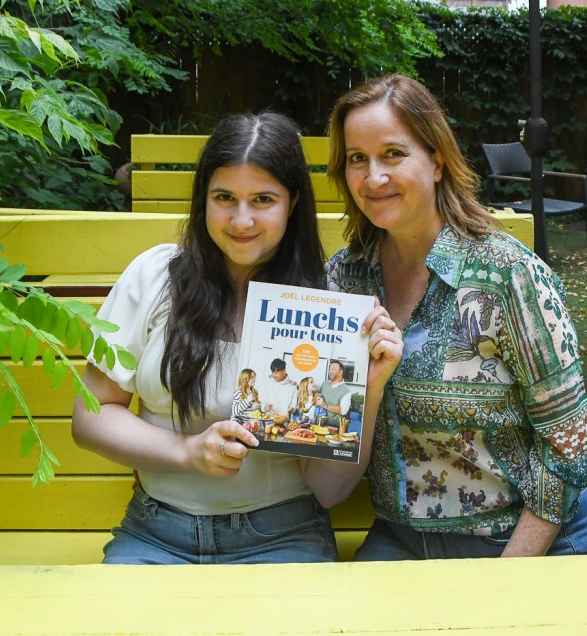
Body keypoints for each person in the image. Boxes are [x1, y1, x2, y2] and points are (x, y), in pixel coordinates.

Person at [71, 111, 401, 565]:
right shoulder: (154, 275)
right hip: (156, 532)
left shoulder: (326, 308)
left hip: (282, 537)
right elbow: (91, 416)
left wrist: (373, 385)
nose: (241, 219)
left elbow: (328, 490)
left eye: (263, 199)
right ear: (203, 199)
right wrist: (186, 451)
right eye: (224, 197)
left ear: (293, 203)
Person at [324, 73, 587, 561]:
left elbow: (571, 444)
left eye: (393, 153)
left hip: (523, 539)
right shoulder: (344, 281)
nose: (373, 177)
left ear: (436, 161)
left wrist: (503, 583)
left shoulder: (509, 276)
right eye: (356, 159)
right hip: (401, 539)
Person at [318, 359, 352, 430]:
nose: (330, 372)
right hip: (319, 423)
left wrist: (324, 405)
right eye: (329, 369)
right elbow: (312, 390)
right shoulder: (325, 383)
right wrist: (296, 385)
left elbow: (343, 410)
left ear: (340, 372)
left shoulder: (346, 391)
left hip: (334, 427)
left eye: (333, 369)